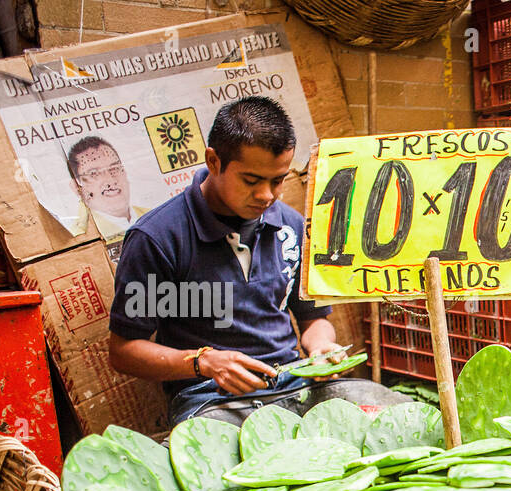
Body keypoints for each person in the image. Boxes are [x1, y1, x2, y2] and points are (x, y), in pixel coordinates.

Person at [108, 96, 403, 425]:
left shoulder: (290, 226)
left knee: (394, 416)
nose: (266, 195)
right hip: (211, 398)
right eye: (251, 181)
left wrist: (321, 348)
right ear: (214, 161)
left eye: (277, 181)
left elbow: (313, 320)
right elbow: (123, 351)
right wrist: (203, 361)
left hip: (293, 384)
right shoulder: (159, 238)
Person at [67, 136, 150, 241]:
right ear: (77, 187)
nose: (110, 179)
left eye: (114, 168)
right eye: (94, 173)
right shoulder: (81, 238)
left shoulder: (153, 216)